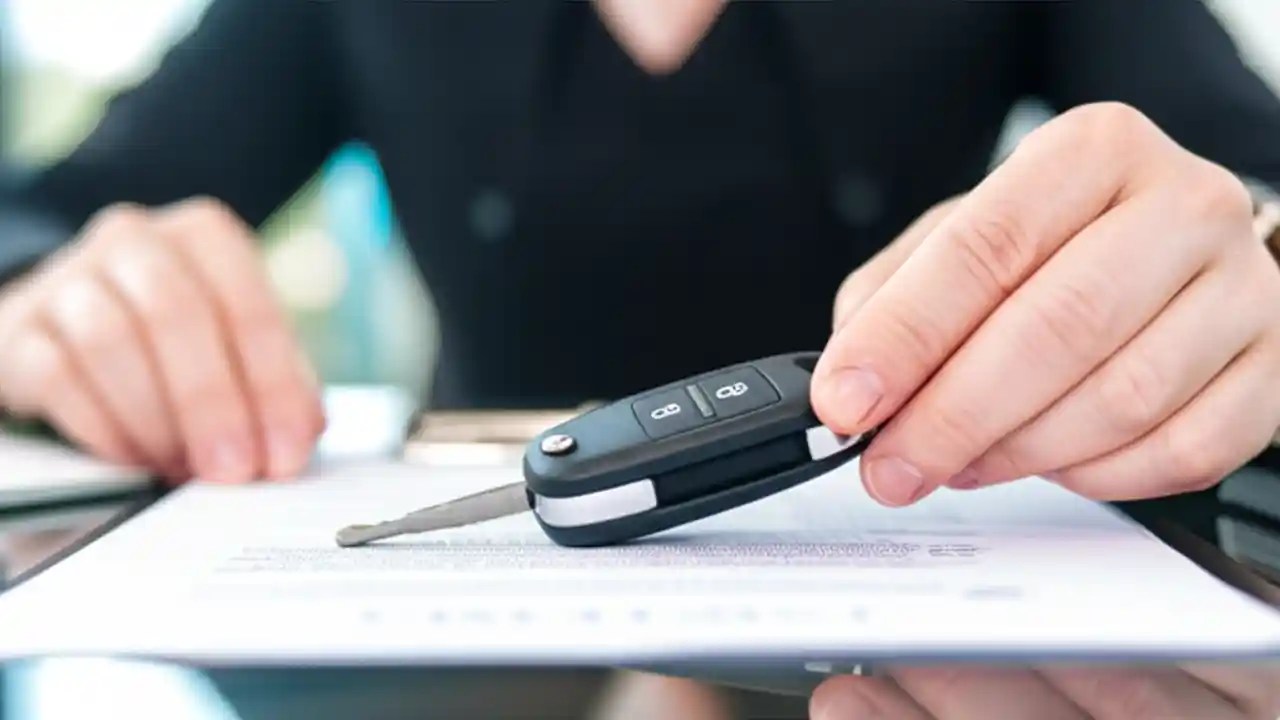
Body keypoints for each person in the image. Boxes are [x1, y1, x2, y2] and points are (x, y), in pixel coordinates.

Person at [0, 1, 1277, 717]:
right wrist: (47, 300)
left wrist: (1250, 265)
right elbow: (43, 215)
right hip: (444, 670)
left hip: (912, 646)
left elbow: (1246, 183)